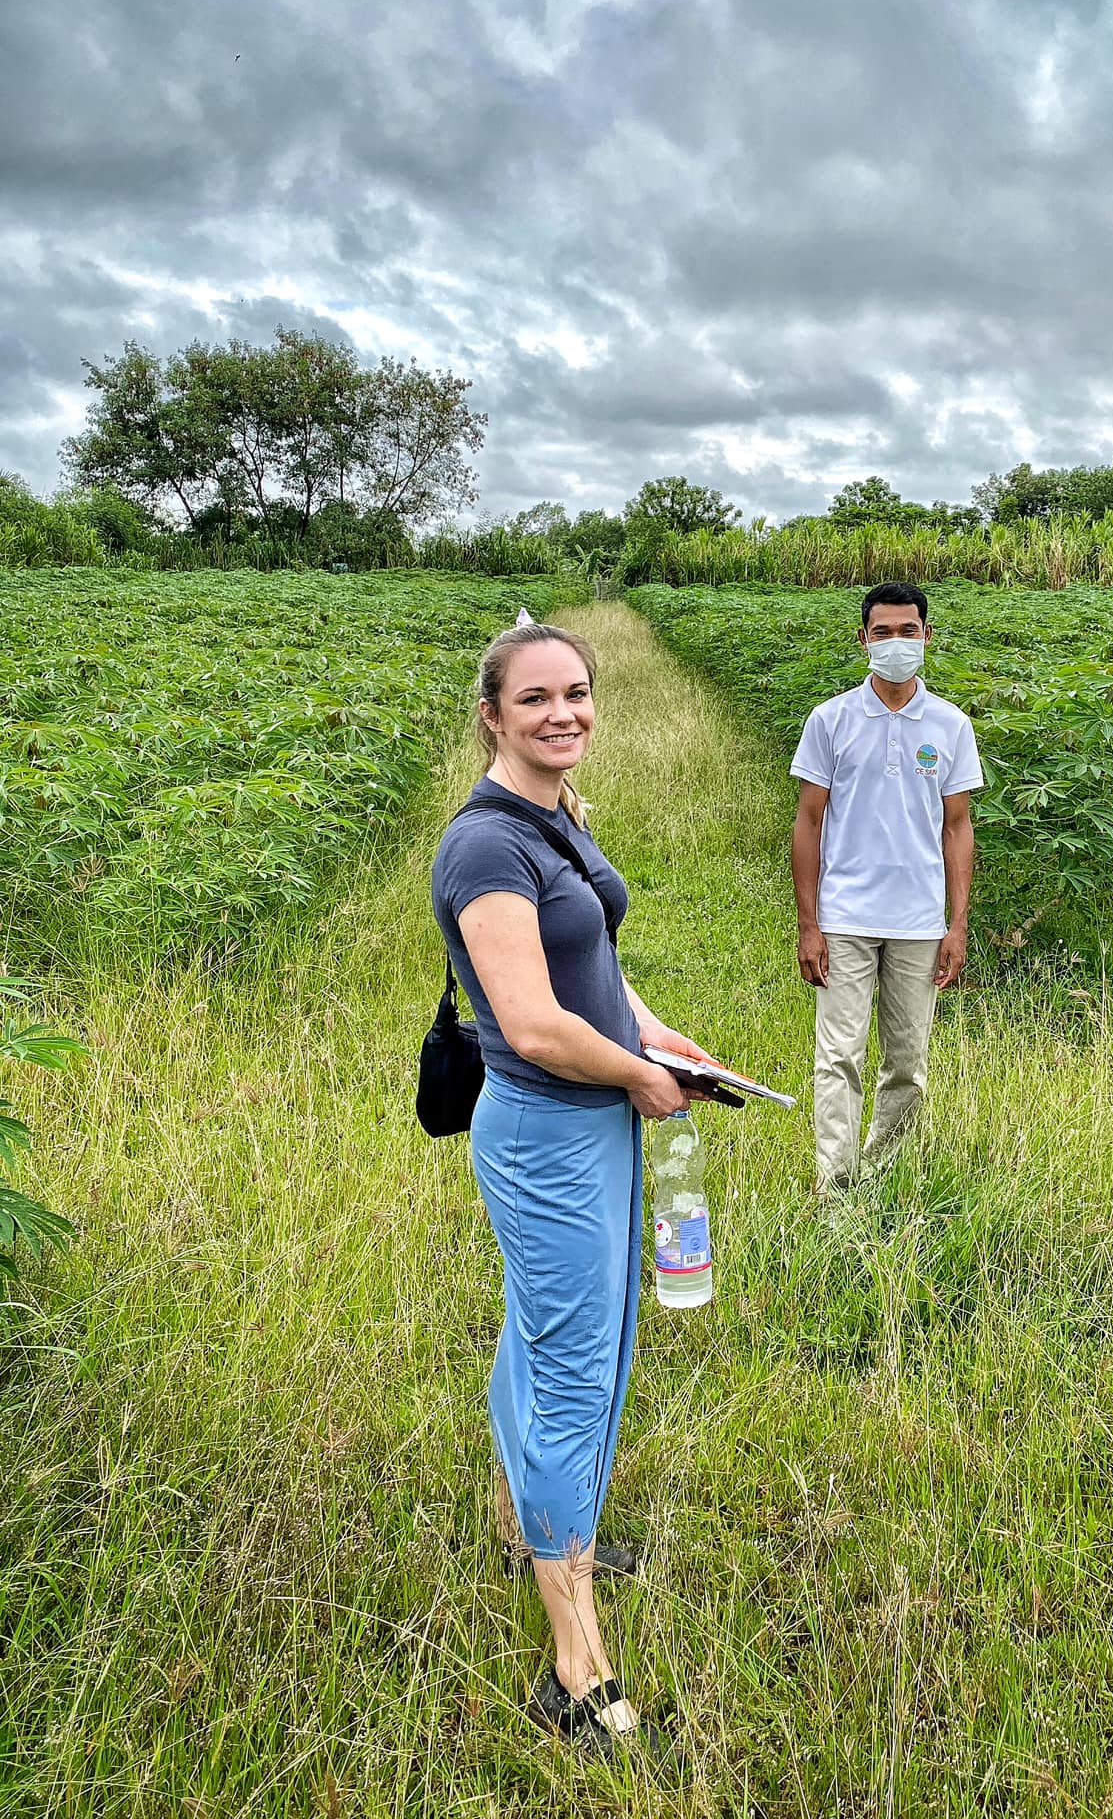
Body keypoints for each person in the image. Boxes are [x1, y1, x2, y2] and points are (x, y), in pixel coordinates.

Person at [431, 621, 716, 1755]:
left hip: (597, 1121)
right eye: (537, 697)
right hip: (549, 1130)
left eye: (580, 693)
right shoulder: (483, 848)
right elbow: (537, 1021)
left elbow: (591, 966)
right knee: (566, 1372)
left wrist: (655, 1035)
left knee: (562, 1344)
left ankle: (543, 1524)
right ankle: (576, 1666)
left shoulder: (557, 814)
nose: (565, 713)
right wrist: (640, 1074)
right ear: (493, 714)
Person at [790, 582, 983, 1196]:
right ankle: (834, 1188)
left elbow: (958, 826)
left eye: (908, 631)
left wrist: (957, 923)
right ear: (863, 640)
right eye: (883, 632)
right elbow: (809, 821)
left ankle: (876, 1173)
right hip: (845, 916)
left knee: (908, 1065)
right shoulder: (832, 719)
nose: (896, 643)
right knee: (838, 1059)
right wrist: (809, 922)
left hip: (920, 923)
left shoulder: (950, 725)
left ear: (927, 637)